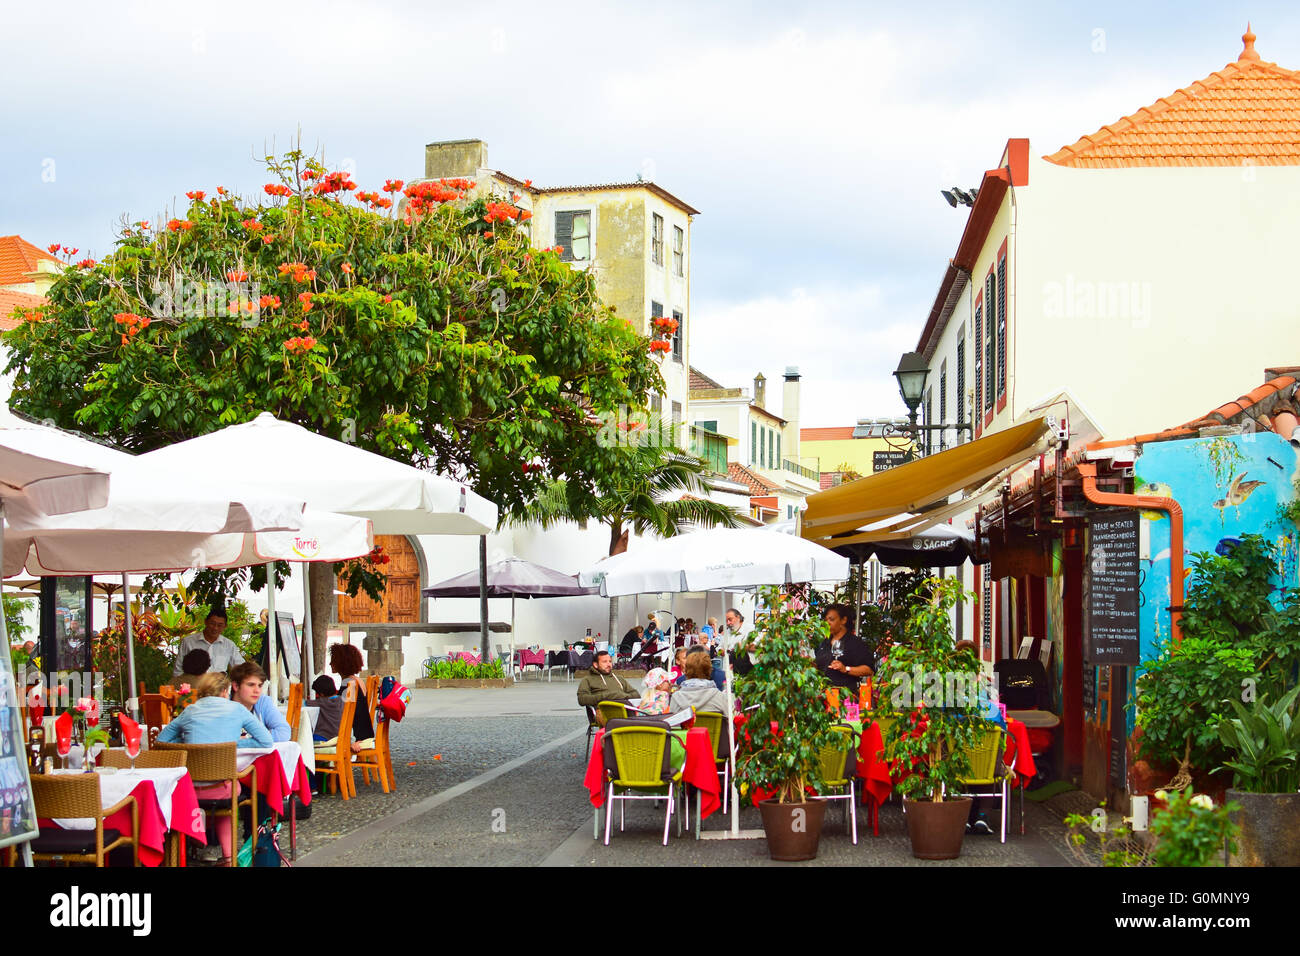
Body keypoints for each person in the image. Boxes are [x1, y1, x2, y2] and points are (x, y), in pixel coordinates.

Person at [156, 672, 272, 862]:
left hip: (189, 791)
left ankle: (193, 847)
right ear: (226, 691)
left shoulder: (189, 710)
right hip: (223, 789)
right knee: (227, 784)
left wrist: (187, 743)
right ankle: (228, 856)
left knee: (222, 783)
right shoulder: (237, 709)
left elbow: (162, 740)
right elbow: (266, 741)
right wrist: (232, 743)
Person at [814, 603, 875, 695]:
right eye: (826, 620)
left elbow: (868, 670)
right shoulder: (823, 642)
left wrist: (845, 668)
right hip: (823, 695)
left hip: (845, 696)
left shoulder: (855, 643)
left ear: (843, 620)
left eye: (832, 619)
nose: (828, 623)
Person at [230, 661, 292, 743]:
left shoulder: (263, 702)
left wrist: (247, 739)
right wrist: (261, 738)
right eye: (251, 685)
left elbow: (284, 732)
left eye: (260, 685)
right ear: (236, 686)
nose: (257, 691)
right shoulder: (223, 705)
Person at [328, 643, 374, 753]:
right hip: (365, 734)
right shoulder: (357, 681)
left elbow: (341, 714)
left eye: (333, 660)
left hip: (356, 739)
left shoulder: (348, 683)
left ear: (341, 662)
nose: (330, 663)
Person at [172, 607, 243, 675]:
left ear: (225, 626)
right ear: (205, 622)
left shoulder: (229, 645)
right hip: (194, 685)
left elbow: (241, 668)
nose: (215, 628)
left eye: (220, 625)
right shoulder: (188, 641)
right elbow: (178, 670)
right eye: (212, 623)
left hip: (218, 685)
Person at [670, 649, 732, 717]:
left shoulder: (676, 698)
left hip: (687, 727)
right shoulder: (720, 697)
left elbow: (672, 724)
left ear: (686, 670)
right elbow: (730, 721)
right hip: (711, 727)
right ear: (709, 670)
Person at [303, 675, 344, 742]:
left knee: (306, 739)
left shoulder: (322, 702)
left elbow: (302, 703)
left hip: (324, 738)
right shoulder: (342, 700)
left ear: (321, 694)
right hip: (340, 737)